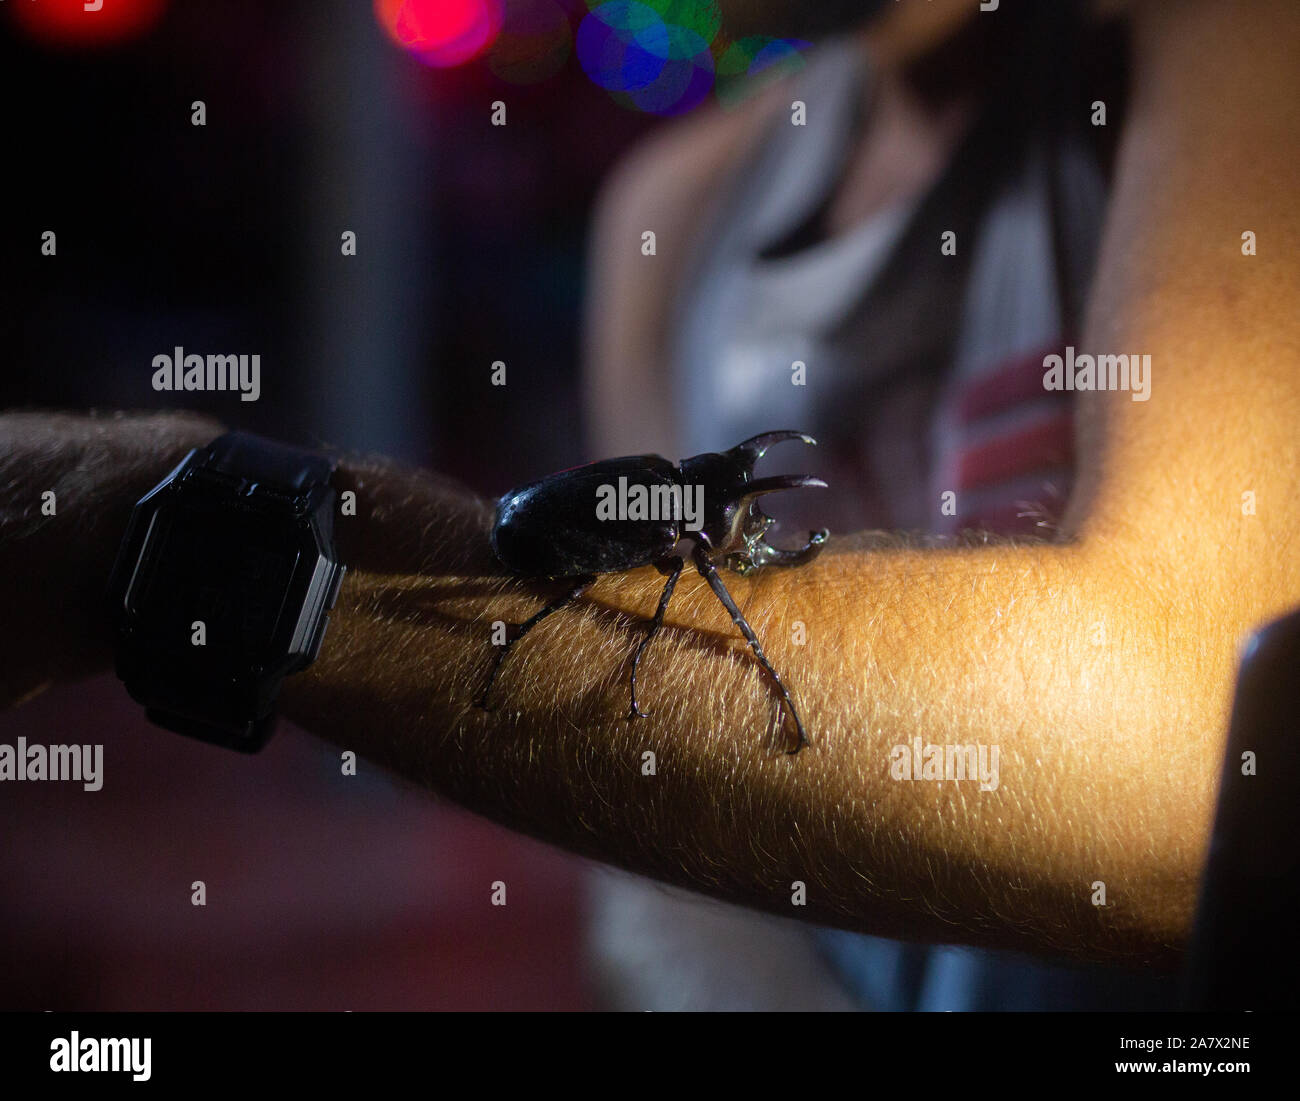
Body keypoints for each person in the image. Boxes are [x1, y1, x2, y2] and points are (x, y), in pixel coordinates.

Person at [3, 0, 1299, 1008]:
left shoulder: (1222, 44)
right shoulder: (672, 211)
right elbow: (647, 811)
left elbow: (1193, 768)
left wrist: (157, 534)